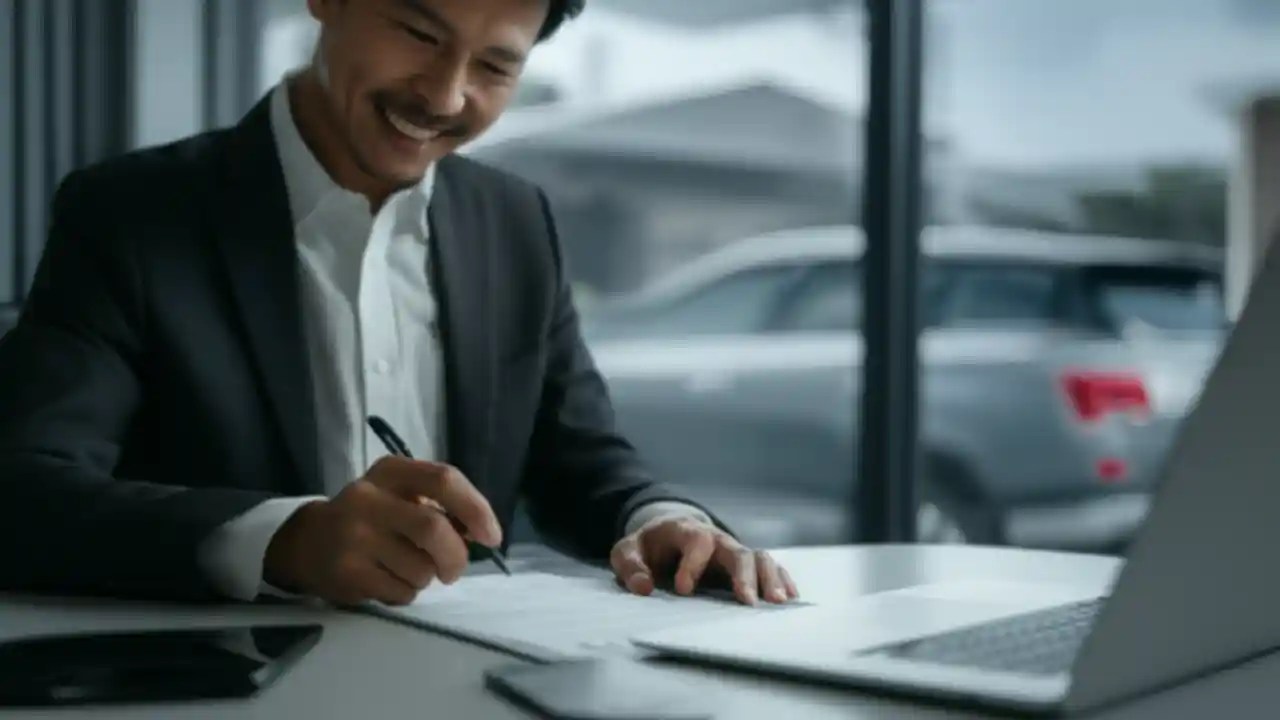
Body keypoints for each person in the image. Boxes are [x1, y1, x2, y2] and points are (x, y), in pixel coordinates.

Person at [0, 0, 798, 609]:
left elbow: (582, 460)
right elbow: (24, 493)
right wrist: (284, 540)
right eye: (419, 33)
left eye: (495, 67)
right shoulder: (133, 215)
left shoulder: (516, 222)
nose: (446, 96)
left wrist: (658, 520)